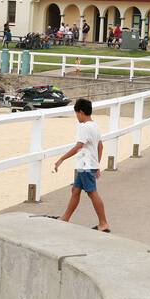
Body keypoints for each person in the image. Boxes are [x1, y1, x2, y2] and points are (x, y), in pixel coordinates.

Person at [53, 98, 110, 232]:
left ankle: (103, 223)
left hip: (85, 166)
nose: (77, 117)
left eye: (76, 114)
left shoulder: (84, 127)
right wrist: (97, 165)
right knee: (75, 190)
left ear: (81, 112)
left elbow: (79, 146)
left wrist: (62, 159)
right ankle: (65, 217)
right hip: (88, 164)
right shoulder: (95, 126)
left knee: (92, 193)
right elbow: (100, 146)